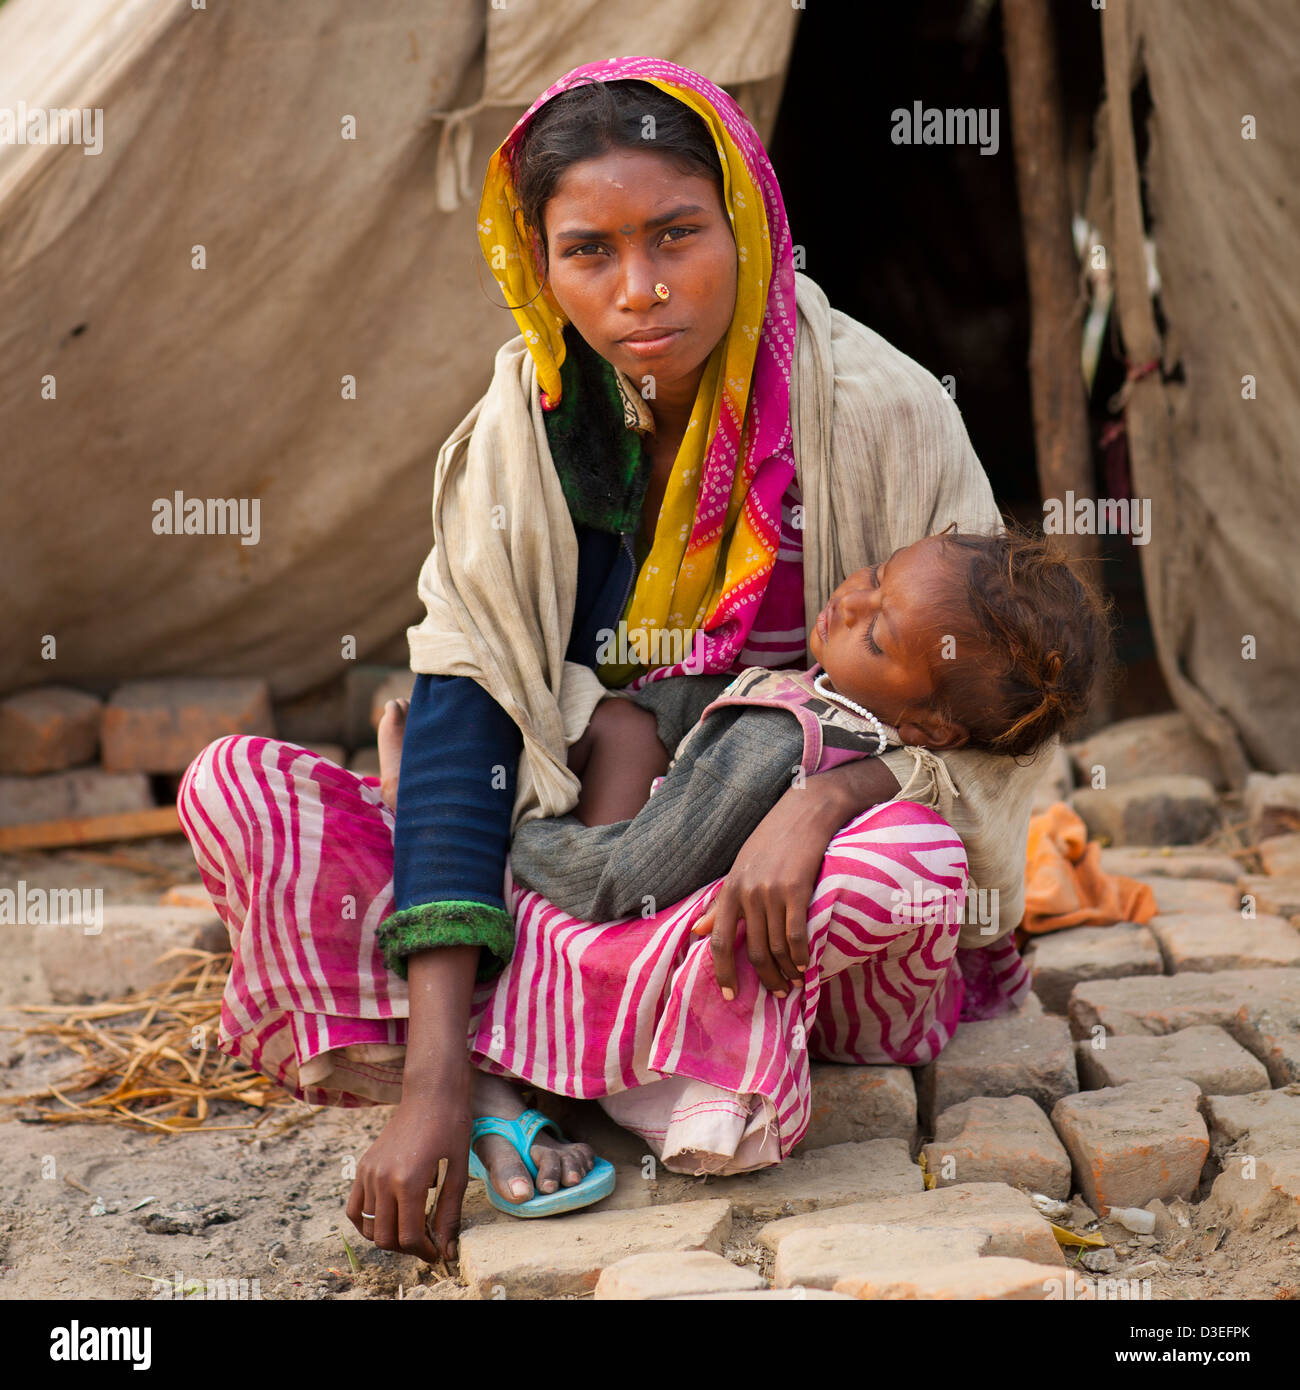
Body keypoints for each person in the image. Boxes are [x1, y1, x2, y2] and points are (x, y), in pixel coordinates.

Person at [177, 57, 1054, 1269]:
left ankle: (530, 1050)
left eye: (676, 235)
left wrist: (824, 796)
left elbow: (990, 705)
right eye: (590, 250)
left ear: (743, 220)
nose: (640, 291)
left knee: (899, 862)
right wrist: (425, 1086)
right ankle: (496, 1067)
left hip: (754, 903)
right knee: (236, 786)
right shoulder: (524, 431)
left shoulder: (879, 410)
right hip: (574, 864)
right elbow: (465, 712)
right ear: (536, 262)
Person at [377, 529, 1109, 934]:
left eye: (877, 637)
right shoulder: (834, 702)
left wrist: (497, 832)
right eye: (877, 575)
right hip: (653, 813)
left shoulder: (780, 748)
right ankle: (463, 776)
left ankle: (425, 814)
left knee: (602, 750)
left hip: (619, 901)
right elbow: (696, 701)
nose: (849, 602)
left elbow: (616, 881)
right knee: (626, 718)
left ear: (930, 726)